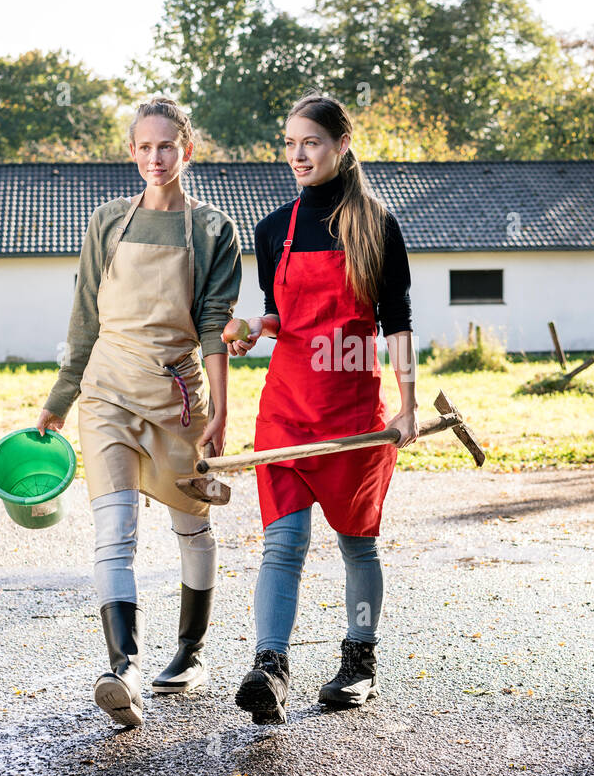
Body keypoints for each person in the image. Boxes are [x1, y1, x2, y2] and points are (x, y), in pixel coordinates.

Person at [36, 97, 240, 727]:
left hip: (178, 398)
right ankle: (122, 667)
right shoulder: (106, 222)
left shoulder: (212, 230)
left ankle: (189, 650)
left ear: (187, 150)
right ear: (131, 152)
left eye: (167, 147)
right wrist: (58, 403)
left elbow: (212, 324)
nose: (155, 158)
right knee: (113, 531)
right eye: (144, 147)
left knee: (192, 528)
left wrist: (223, 406)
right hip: (106, 395)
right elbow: (84, 321)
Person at [226, 92, 416, 724]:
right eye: (289, 143)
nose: (298, 154)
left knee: (357, 545)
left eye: (310, 142)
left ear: (340, 144)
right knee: (282, 544)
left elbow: (398, 325)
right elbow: (283, 315)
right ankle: (270, 667)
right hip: (285, 407)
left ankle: (359, 662)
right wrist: (254, 331)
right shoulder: (271, 229)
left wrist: (408, 405)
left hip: (353, 413)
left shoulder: (377, 225)